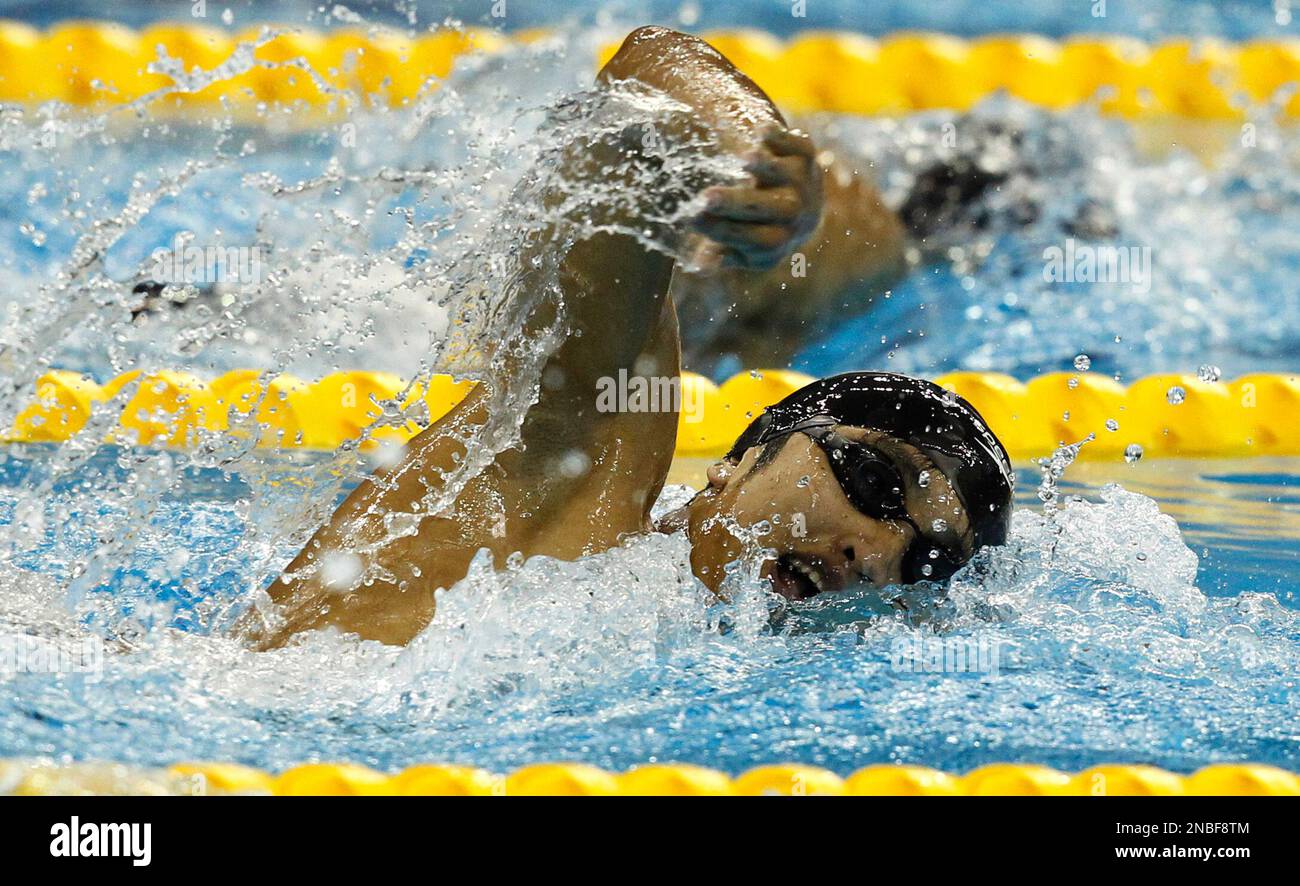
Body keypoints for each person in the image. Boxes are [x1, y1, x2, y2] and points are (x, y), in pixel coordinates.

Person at [237, 26, 1013, 649]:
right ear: (742, 457)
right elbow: (643, 85)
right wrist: (760, 156)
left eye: (926, 558)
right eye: (877, 483)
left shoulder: (651, 626)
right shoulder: (587, 471)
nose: (876, 554)